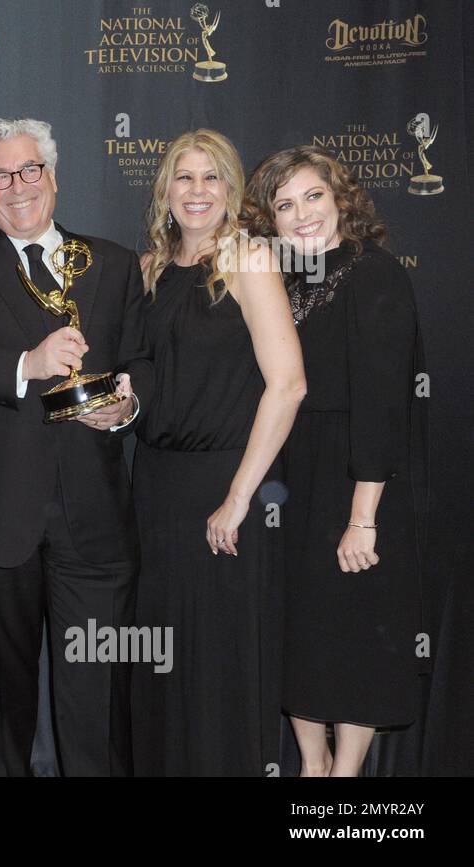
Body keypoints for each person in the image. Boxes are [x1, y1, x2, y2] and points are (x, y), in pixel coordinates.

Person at [0, 117, 151, 776]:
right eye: (1, 176)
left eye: (29, 170)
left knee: (98, 702)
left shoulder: (114, 263)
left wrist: (129, 404)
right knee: (2, 711)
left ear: (52, 176)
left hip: (95, 521)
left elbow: (142, 359)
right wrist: (25, 363)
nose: (17, 186)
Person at [246, 145, 428, 777]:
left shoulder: (376, 274)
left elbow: (384, 404)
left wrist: (363, 516)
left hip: (358, 481)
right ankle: (311, 764)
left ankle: (345, 778)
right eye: (285, 204)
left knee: (356, 634)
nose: (302, 215)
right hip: (291, 484)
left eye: (313, 197)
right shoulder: (283, 279)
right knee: (298, 630)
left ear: (340, 197)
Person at [131, 130, 305, 776]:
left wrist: (236, 499)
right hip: (154, 493)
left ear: (231, 190)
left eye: (211, 178)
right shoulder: (147, 269)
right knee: (161, 663)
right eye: (184, 177)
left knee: (220, 665)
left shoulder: (248, 259)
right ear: (165, 190)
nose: (197, 191)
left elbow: (288, 385)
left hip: (228, 485)